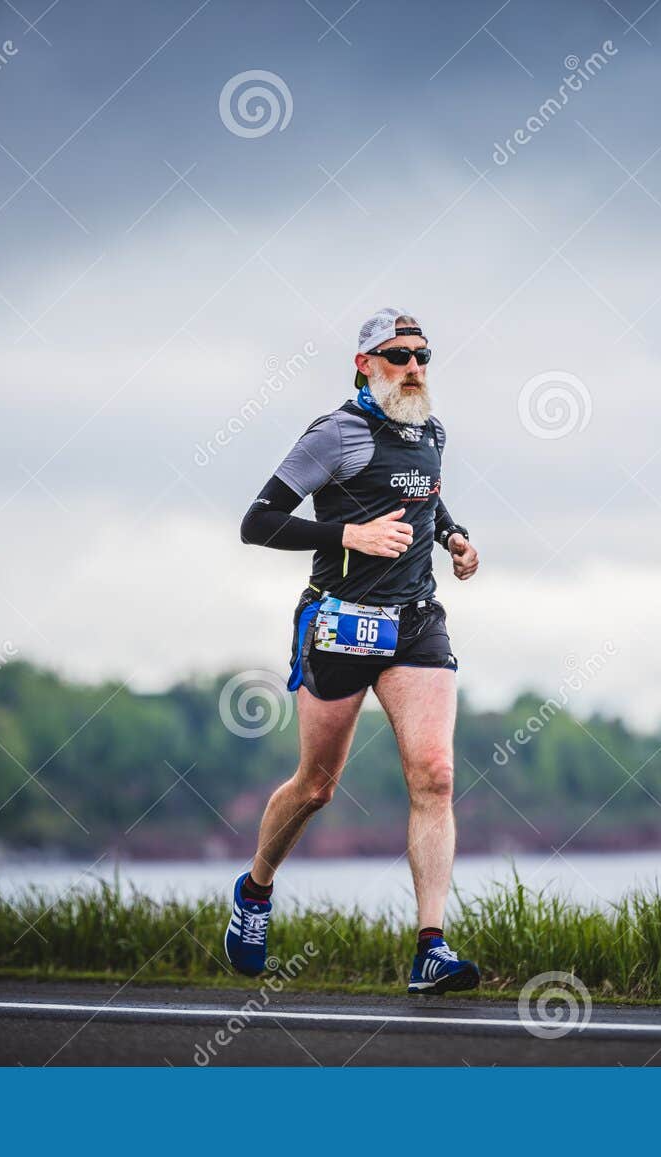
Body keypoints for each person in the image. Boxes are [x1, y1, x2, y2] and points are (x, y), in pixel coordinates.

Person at [226, 307, 482, 994]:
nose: (415, 367)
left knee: (435, 774)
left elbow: (426, 497)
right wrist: (346, 535)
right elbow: (258, 522)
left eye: (424, 355)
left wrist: (453, 537)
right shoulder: (335, 433)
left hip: (415, 622)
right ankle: (255, 891)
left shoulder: (431, 430)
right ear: (365, 364)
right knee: (317, 786)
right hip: (339, 622)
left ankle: (430, 946)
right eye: (399, 355)